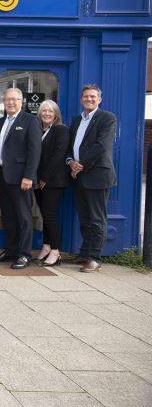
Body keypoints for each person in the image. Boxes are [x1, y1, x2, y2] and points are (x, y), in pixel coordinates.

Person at [0, 88, 42, 269]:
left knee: (24, 217)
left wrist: (29, 176)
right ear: (3, 102)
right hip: (2, 176)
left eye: (14, 99)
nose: (10, 102)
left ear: (21, 101)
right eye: (7, 99)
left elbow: (35, 151)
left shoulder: (31, 120)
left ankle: (25, 254)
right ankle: (10, 251)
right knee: (8, 216)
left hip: (21, 179)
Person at [66, 84, 117, 273]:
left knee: (97, 218)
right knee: (85, 217)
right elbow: (71, 146)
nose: (89, 99)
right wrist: (71, 162)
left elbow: (101, 146)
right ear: (81, 99)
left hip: (97, 175)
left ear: (99, 99)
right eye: (86, 96)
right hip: (78, 175)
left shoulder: (107, 118)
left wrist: (81, 165)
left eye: (93, 96)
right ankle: (85, 253)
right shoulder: (77, 120)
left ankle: (95, 258)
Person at [34, 100, 69, 267]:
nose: (46, 113)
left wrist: (44, 179)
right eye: (43, 111)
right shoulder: (40, 130)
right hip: (39, 181)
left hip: (53, 181)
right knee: (44, 215)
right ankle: (46, 246)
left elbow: (58, 156)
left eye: (50, 111)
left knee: (50, 215)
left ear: (56, 114)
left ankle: (56, 251)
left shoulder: (60, 130)